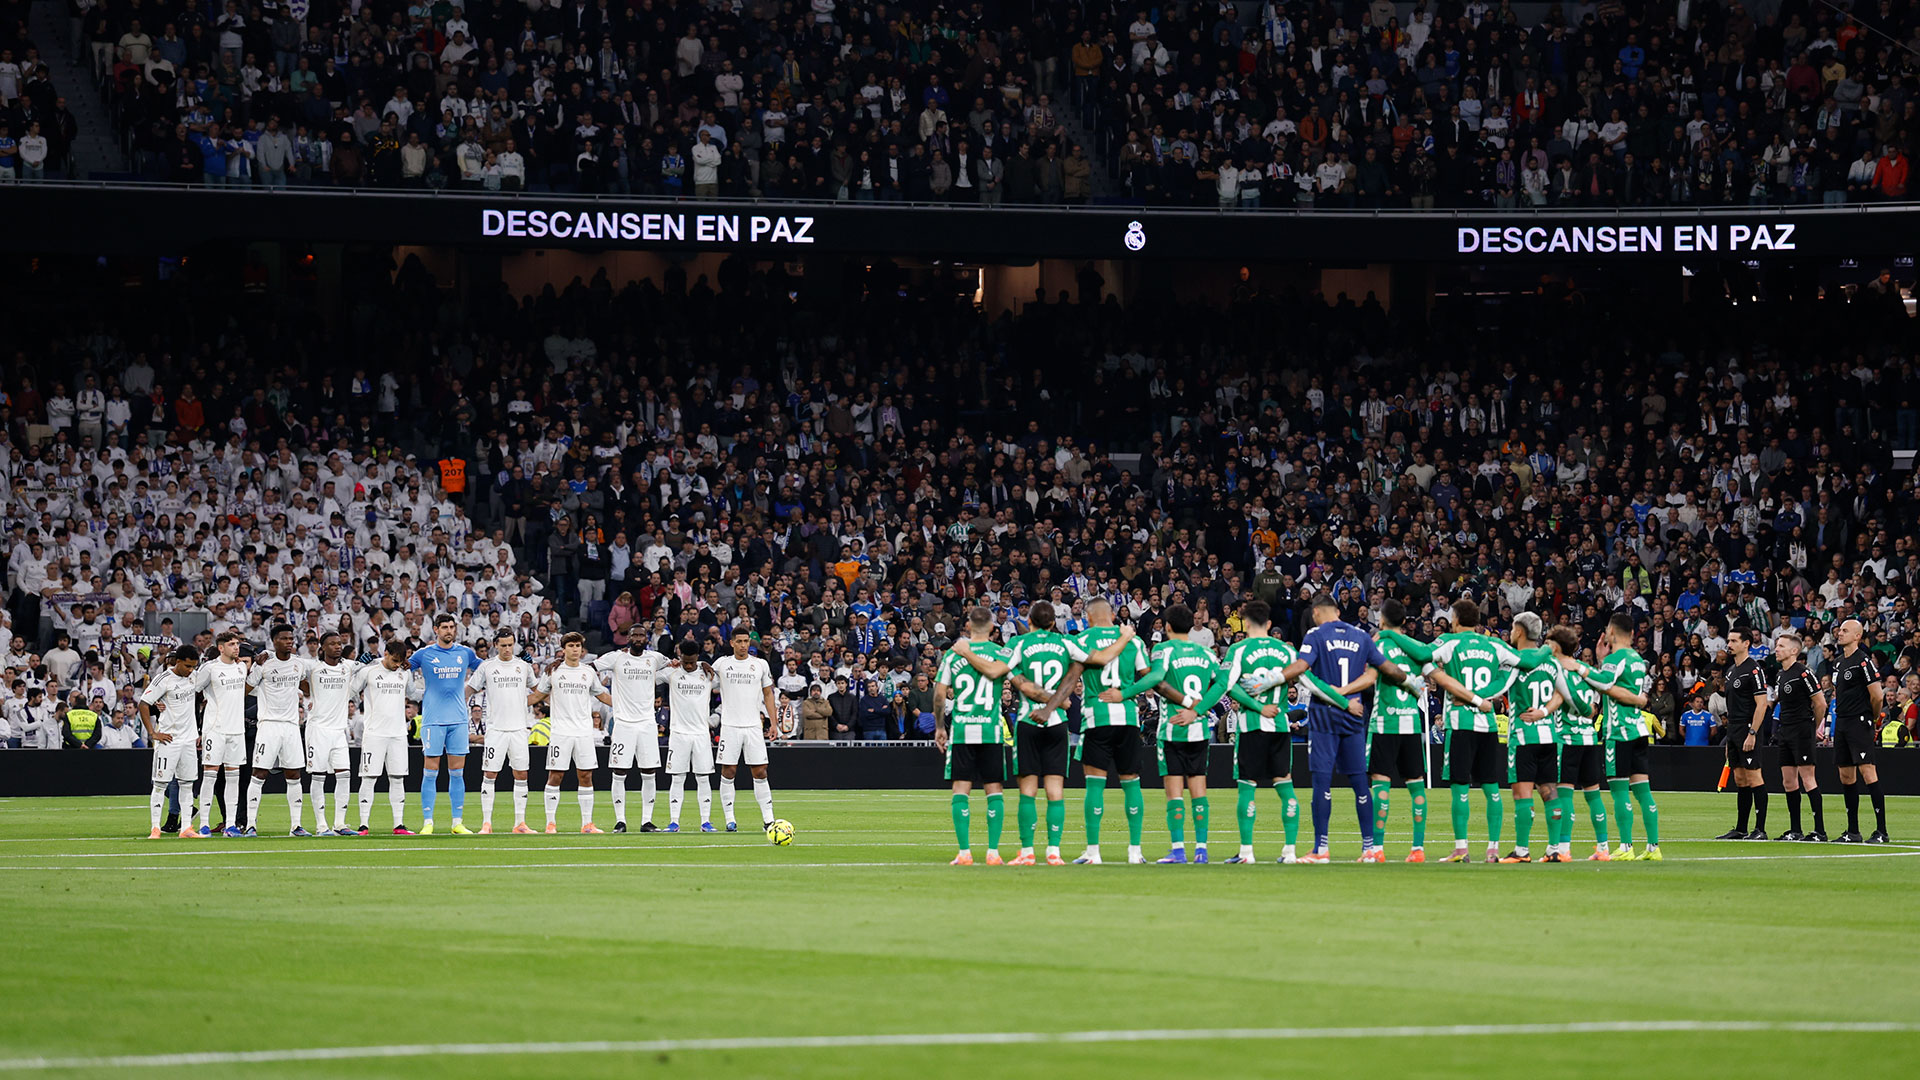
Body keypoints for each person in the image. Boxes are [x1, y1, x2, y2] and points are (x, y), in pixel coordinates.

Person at [958, 600, 1131, 865]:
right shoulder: (1065, 643)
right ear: (1053, 623)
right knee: (1055, 790)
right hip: (1057, 722)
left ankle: (1027, 852)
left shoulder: (1018, 644)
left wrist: (966, 652)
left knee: (1027, 790)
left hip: (1029, 720)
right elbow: (1103, 657)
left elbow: (996, 671)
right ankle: (1054, 852)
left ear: (1029, 621)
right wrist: (1125, 637)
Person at [1380, 599, 1526, 863]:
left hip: (1460, 723)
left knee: (1460, 788)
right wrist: (1485, 695)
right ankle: (1493, 849)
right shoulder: (1494, 644)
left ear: (1456, 620)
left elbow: (1423, 653)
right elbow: (1516, 667)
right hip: (1488, 723)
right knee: (1492, 787)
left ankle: (1461, 848)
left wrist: (1391, 633)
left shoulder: (1450, 641)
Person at [1219, 599, 1349, 864]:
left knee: (1247, 787)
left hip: (1251, 725)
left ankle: (1246, 852)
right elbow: (1311, 682)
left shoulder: (1238, 649)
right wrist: (1346, 702)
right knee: (1286, 786)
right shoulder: (1286, 651)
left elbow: (1227, 686)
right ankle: (1289, 851)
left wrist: (1256, 705)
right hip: (1280, 726)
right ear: (1268, 624)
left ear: (1246, 623)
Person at [1286, 594, 1405, 863]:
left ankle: (1321, 849)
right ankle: (1369, 849)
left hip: (1324, 715)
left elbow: (1302, 668)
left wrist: (1275, 677)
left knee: (1321, 782)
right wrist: (1408, 679)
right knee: (1360, 782)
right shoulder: (1362, 636)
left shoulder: (1315, 635)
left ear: (1317, 612)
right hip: (1354, 714)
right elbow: (1384, 669)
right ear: (1338, 611)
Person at [1058, 597, 1160, 865]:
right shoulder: (1132, 640)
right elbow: (1150, 678)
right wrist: (1127, 693)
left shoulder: (1082, 639)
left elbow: (1071, 676)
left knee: (1094, 785)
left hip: (1097, 718)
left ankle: (1093, 852)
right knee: (1131, 782)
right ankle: (1135, 851)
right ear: (1113, 615)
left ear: (1089, 617)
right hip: (1127, 717)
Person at [1146, 604, 1230, 864]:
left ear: (1167, 626)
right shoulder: (1206, 654)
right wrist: (1199, 710)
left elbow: (1157, 680)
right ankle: (1202, 849)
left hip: (1172, 728)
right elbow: (1223, 684)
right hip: (1199, 729)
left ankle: (1179, 850)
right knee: (1199, 789)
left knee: (1174, 791)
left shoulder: (1162, 649)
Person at [935, 606, 1010, 865]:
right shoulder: (1002, 653)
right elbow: (1017, 681)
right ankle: (993, 852)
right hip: (991, 730)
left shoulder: (953, 655)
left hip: (963, 729)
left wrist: (940, 726)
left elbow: (939, 693)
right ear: (992, 627)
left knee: (961, 789)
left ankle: (965, 852)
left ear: (967, 625)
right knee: (994, 790)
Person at [1585, 613, 1660, 860]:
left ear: (1613, 632)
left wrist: (1586, 666)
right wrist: (1600, 660)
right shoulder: (1637, 659)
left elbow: (1603, 683)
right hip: (1639, 728)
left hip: (1617, 731)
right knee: (1642, 790)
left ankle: (1626, 847)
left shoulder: (1615, 658)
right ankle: (1652, 847)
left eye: (1607, 628)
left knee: (1619, 791)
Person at [1367, 599, 1432, 861]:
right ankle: (1418, 849)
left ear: (1382, 619)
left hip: (1385, 723)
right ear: (1405, 622)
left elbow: (1369, 676)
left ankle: (1378, 849)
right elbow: (1431, 668)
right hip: (1411, 724)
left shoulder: (1378, 644)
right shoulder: (1417, 648)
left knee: (1381, 784)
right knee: (1416, 787)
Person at [408, 613, 482, 834]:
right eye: (445, 627)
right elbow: (400, 669)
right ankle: (428, 822)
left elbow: (487, 669)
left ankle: (457, 822)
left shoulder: (465, 653)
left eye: (452, 627)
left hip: (458, 720)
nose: (449, 630)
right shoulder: (424, 654)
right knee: (430, 771)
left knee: (457, 772)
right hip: (433, 720)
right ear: (436, 629)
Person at [593, 626, 671, 832]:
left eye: (641, 635)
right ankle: (620, 821)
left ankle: (646, 821)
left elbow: (679, 664)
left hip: (646, 723)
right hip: (623, 724)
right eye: (634, 635)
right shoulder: (616, 658)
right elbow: (590, 668)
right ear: (627, 638)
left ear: (646, 638)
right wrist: (564, 664)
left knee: (649, 771)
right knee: (619, 771)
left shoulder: (655, 658)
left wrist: (702, 664)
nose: (638, 639)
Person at [1545, 625, 1612, 861]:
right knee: (1593, 794)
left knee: (1564, 795)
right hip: (1589, 738)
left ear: (1556, 645)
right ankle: (1603, 848)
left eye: (1548, 641)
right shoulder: (1584, 669)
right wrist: (1602, 661)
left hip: (1567, 738)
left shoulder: (1554, 669)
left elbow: (1567, 698)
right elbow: (1604, 685)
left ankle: (1563, 848)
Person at [1499, 613, 1561, 863]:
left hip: (1523, 736)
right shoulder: (1551, 662)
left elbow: (1498, 689)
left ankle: (1522, 851)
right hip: (1549, 735)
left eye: (1513, 628)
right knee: (1550, 792)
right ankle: (1554, 849)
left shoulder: (1514, 661)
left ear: (1520, 632)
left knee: (1522, 794)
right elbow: (1562, 693)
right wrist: (1544, 712)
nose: (1511, 633)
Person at [471, 630, 541, 833]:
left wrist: (522, 703)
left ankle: (520, 823)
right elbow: (470, 689)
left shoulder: (523, 666)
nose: (507, 649)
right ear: (495, 645)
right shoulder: (487, 667)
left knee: (521, 774)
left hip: (519, 729)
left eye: (510, 645)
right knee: (490, 773)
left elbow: (538, 692)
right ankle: (487, 823)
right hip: (495, 729)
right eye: (503, 645)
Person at [541, 631, 611, 834]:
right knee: (555, 775)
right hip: (560, 732)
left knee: (586, 775)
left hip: (583, 732)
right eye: (571, 646)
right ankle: (550, 823)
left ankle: (587, 824)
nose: (575, 649)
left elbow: (602, 695)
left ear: (582, 649)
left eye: (578, 646)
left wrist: (624, 706)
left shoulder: (588, 672)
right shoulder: (553, 671)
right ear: (563, 650)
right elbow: (540, 693)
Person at [245, 623, 309, 837]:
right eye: (284, 638)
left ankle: (296, 826)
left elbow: (307, 685)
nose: (289, 642)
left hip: (291, 726)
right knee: (259, 773)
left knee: (294, 774)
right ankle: (251, 825)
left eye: (291, 639)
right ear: (274, 641)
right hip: (268, 725)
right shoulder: (263, 664)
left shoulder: (299, 664)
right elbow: (245, 689)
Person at [713, 628, 779, 834]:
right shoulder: (722, 664)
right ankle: (730, 819)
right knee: (728, 771)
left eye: (746, 641)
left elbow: (768, 694)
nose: (743, 645)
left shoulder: (760, 664)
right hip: (730, 726)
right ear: (732, 643)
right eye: (739, 641)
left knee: (760, 771)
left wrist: (773, 723)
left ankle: (769, 819)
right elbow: (704, 683)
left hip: (753, 726)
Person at [1829, 619, 1888, 843]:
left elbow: (1877, 695)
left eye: (1845, 630)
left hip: (1859, 721)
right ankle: (1853, 831)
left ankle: (1881, 831)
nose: (1839, 633)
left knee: (1868, 772)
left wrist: (1871, 718)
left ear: (1857, 636)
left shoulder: (1863, 661)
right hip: (1842, 722)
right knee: (1846, 775)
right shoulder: (1837, 663)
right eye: (1839, 629)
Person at [351, 641, 416, 835]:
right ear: (385, 653)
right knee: (369, 777)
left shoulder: (405, 671)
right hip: (374, 733)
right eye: (394, 660)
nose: (397, 665)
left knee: (397, 778)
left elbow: (412, 693)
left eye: (400, 661)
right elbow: (351, 690)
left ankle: (399, 824)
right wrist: (356, 666)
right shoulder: (369, 670)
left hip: (398, 734)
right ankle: (363, 825)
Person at [137, 647, 203, 839]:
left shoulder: (194, 676)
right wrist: (153, 733)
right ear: (178, 662)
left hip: (189, 739)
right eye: (188, 666)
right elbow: (143, 703)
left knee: (187, 784)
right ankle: (155, 828)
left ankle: (186, 828)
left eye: (194, 666)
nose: (191, 670)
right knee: (160, 784)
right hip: (169, 739)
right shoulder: (163, 679)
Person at [301, 631, 361, 836]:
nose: (337, 646)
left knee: (344, 775)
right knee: (318, 777)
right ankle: (321, 826)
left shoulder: (349, 666)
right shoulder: (312, 667)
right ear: (322, 647)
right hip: (318, 729)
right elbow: (287, 662)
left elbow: (375, 664)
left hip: (339, 731)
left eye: (340, 643)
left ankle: (340, 824)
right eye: (332, 644)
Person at [1715, 624, 1771, 840]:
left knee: (1754, 776)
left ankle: (1760, 829)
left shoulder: (1754, 669)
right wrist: (1730, 738)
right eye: (1728, 641)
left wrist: (1753, 733)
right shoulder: (1731, 671)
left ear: (1746, 643)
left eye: (1733, 641)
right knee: (1739, 778)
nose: (1729, 644)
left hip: (1749, 729)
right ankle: (1740, 828)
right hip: (1734, 730)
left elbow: (1761, 704)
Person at [191, 631, 250, 837]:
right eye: (232, 644)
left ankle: (231, 824)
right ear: (221, 648)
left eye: (237, 644)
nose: (237, 647)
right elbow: (193, 690)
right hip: (215, 730)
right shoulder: (210, 668)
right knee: (210, 776)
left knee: (233, 778)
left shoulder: (242, 667)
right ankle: (204, 824)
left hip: (236, 731)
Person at [1770, 633, 1827, 842]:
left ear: (1794, 650)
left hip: (1802, 729)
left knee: (1807, 778)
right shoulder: (1780, 674)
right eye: (1776, 645)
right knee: (1788, 781)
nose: (1777, 649)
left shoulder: (1804, 673)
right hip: (1786, 730)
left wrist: (1812, 726)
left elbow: (1820, 703)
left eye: (1781, 646)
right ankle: (1795, 830)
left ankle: (1819, 831)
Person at [663, 640, 717, 832]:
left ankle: (705, 821)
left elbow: (730, 684)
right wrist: (668, 662)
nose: (687, 666)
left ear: (698, 658)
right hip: (678, 733)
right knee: (677, 778)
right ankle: (674, 821)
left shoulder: (708, 673)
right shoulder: (672, 672)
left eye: (691, 662)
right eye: (685, 661)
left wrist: (717, 716)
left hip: (701, 733)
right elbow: (648, 675)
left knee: (703, 778)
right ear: (680, 657)